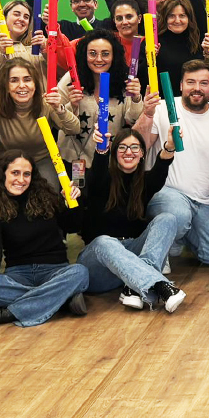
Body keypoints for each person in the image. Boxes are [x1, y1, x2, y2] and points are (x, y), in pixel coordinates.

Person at [0, 151, 90, 329]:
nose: (21, 179)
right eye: (15, 173)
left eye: (26, 174)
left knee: (80, 273)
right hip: (18, 275)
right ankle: (62, 299)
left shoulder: (47, 197)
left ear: (32, 176)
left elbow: (72, 226)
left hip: (55, 271)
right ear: (3, 173)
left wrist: (73, 202)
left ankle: (5, 315)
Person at [75, 121, 186, 312]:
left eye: (135, 147)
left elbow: (161, 168)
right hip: (98, 263)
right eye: (122, 147)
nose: (129, 152)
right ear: (114, 152)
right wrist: (101, 150)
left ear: (142, 153)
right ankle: (159, 285)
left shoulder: (146, 182)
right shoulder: (101, 179)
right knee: (104, 241)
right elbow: (99, 170)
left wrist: (168, 147)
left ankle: (133, 287)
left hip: (131, 257)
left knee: (167, 218)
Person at [138, 60, 209, 267]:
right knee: (179, 215)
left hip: (204, 199)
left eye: (203, 83)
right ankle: (166, 240)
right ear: (181, 85)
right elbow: (141, 146)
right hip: (165, 192)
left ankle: (179, 236)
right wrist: (147, 114)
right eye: (190, 82)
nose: (197, 88)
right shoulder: (163, 108)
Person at [0, 59, 78, 183]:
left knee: (50, 196)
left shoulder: (47, 104)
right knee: (0, 197)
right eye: (14, 80)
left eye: (27, 79)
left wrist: (59, 108)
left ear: (35, 84)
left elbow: (74, 129)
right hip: (3, 160)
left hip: (40, 161)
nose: (22, 85)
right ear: (6, 86)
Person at [55, 30, 143, 170]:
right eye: (93, 53)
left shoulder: (125, 80)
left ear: (114, 56)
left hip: (109, 162)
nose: (99, 59)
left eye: (105, 54)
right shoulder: (71, 78)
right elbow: (57, 120)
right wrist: (71, 105)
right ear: (85, 55)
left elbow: (132, 120)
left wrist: (137, 98)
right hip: (72, 159)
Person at [155, 0, 209, 86]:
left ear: (189, 18)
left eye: (182, 15)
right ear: (165, 18)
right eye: (171, 16)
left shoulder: (199, 41)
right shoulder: (154, 42)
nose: (177, 21)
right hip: (163, 99)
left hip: (195, 97)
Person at [0, 0, 45, 70]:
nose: (21, 19)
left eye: (26, 17)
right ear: (4, 18)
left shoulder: (36, 51)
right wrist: (1, 55)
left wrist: (46, 51)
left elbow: (58, 73)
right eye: (16, 14)